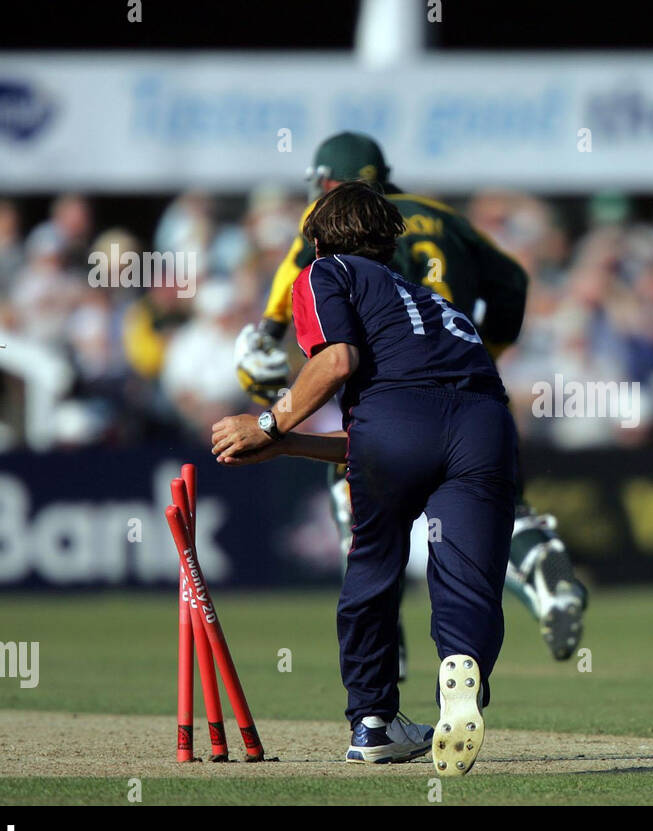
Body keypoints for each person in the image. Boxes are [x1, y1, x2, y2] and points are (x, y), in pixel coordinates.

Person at [234, 132, 586, 668]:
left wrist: (271, 409)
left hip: (393, 393)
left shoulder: (337, 228)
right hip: (475, 389)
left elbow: (311, 334)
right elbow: (513, 280)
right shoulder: (444, 216)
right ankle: (529, 574)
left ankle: (381, 655)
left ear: (330, 184)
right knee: (491, 515)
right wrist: (486, 347)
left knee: (360, 504)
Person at [211, 182, 517, 775]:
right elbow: (408, 423)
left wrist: (269, 425)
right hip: (485, 425)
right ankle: (461, 671)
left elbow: (339, 364)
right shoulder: (438, 307)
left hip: (397, 427)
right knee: (469, 578)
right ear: (390, 244)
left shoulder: (325, 272)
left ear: (317, 240)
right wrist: (287, 447)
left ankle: (374, 721)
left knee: (375, 568)